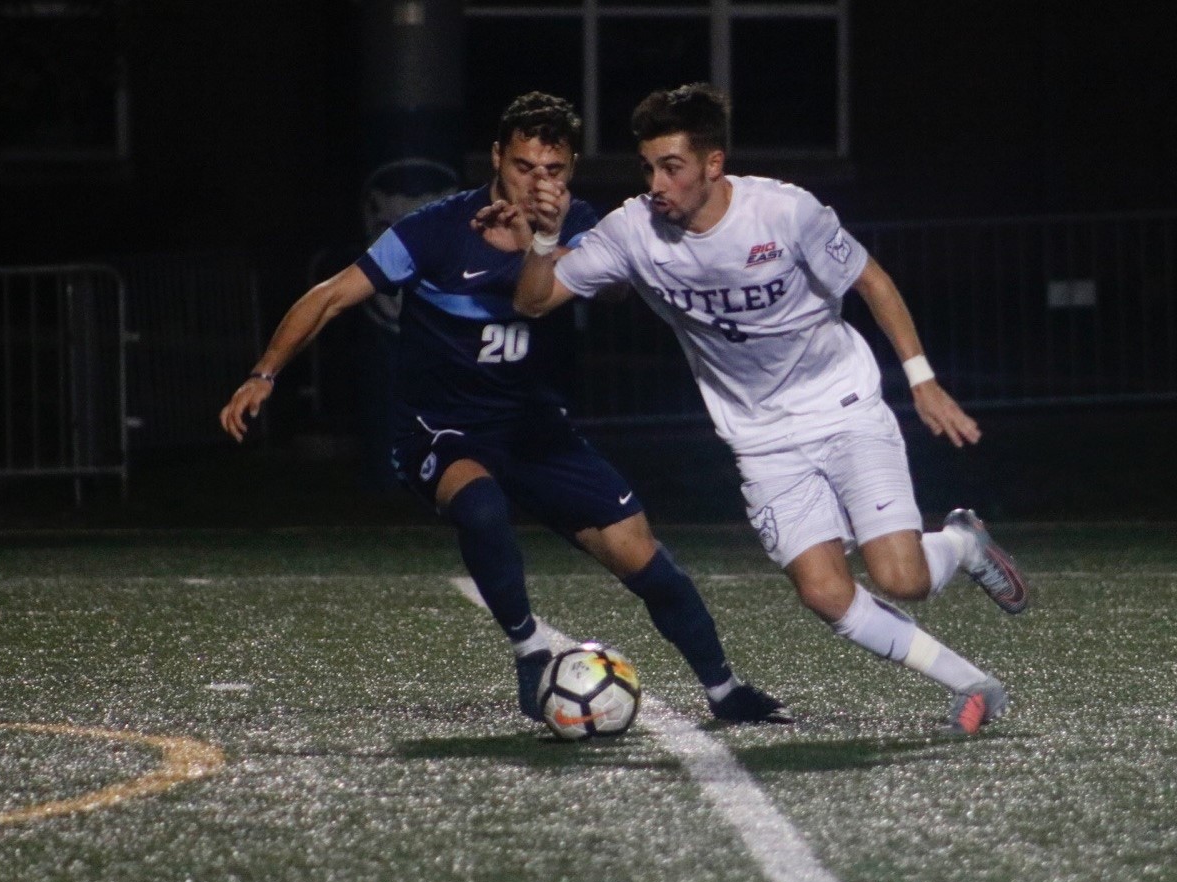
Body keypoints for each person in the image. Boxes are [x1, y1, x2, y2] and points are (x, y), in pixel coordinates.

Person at [219, 91, 789, 728]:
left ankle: (725, 689)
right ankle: (528, 653)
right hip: (443, 428)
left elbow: (617, 292)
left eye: (554, 170)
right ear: (495, 158)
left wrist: (542, 241)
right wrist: (264, 373)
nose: (538, 182)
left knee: (645, 559)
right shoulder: (435, 230)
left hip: (537, 430)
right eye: (523, 166)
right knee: (483, 508)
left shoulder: (584, 227)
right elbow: (329, 297)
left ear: (571, 170)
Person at [477, 83, 1028, 735]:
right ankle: (973, 682)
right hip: (762, 441)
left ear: (714, 164)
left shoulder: (784, 212)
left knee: (900, 576)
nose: (656, 182)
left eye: (672, 167)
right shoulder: (632, 231)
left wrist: (921, 378)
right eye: (648, 166)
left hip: (844, 408)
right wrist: (543, 241)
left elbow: (872, 280)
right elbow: (534, 302)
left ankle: (961, 543)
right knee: (825, 593)